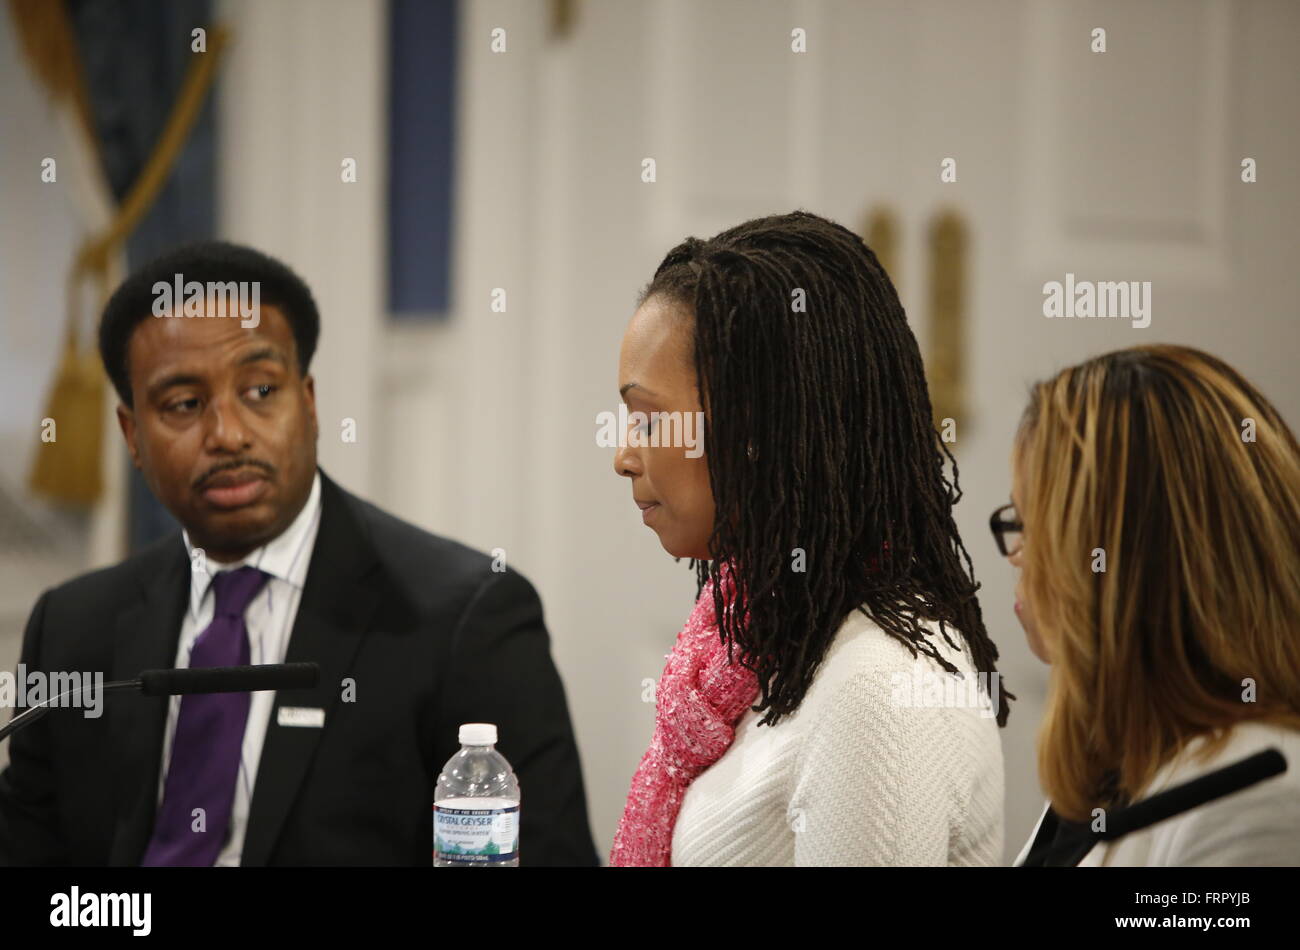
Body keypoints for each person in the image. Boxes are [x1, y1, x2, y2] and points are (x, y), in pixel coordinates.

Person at [0, 240, 598, 866]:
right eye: (183, 404)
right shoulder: (72, 629)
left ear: (308, 403)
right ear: (132, 435)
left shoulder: (463, 621)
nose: (228, 434)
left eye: (260, 390)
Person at [608, 211, 1010, 866]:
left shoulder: (878, 690)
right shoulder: (758, 636)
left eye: (649, 420)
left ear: (760, 428)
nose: (624, 457)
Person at [999, 345, 1300, 866]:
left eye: (1030, 526)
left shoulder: (1254, 789)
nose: (1016, 556)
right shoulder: (1113, 767)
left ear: (1125, 562)